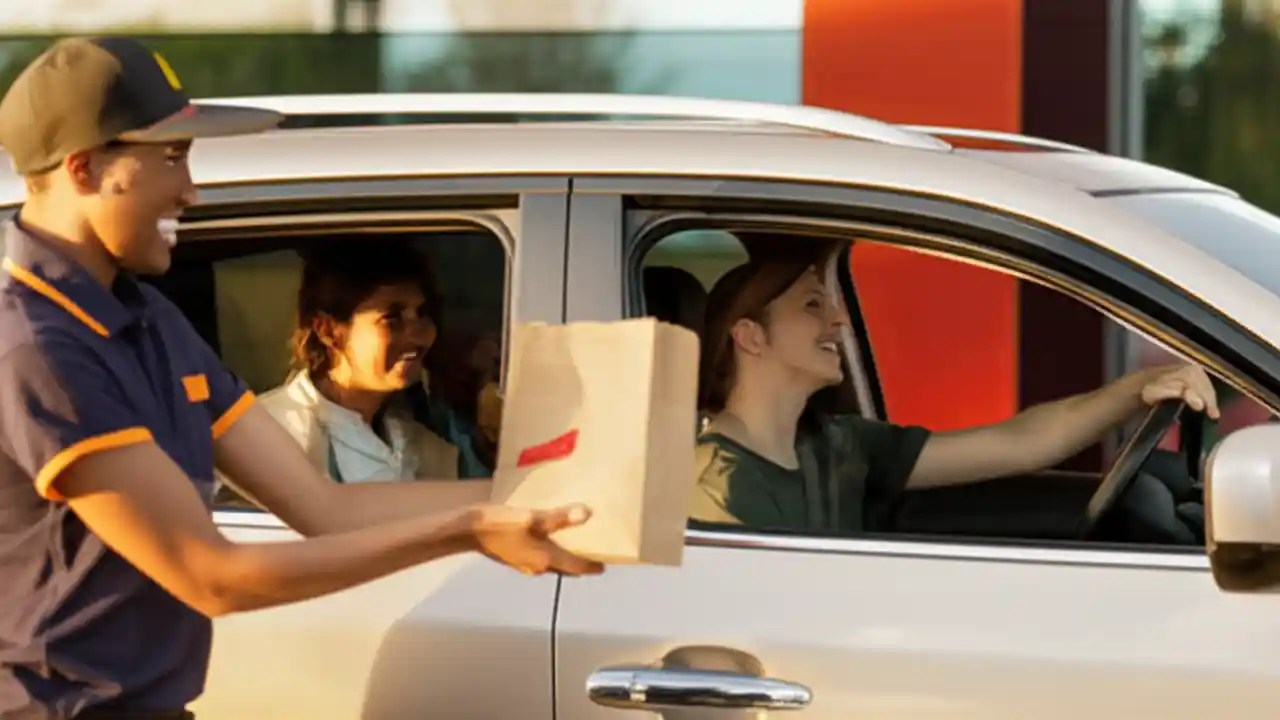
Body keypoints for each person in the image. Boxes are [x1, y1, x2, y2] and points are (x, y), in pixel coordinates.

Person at [0, 36, 602, 720]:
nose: (190, 189)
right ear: (82, 169)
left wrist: (550, 494)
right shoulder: (36, 350)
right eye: (171, 159)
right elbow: (212, 577)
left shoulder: (149, 318)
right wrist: (465, 530)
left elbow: (324, 507)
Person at [689, 246, 1220, 536]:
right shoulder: (711, 485)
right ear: (750, 336)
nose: (839, 320)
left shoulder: (840, 445)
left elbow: (1021, 442)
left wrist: (1137, 389)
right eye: (812, 305)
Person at [258, 240, 465, 484]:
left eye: (422, 314)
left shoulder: (419, 438)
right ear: (328, 330)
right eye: (392, 318)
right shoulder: (271, 434)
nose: (418, 335)